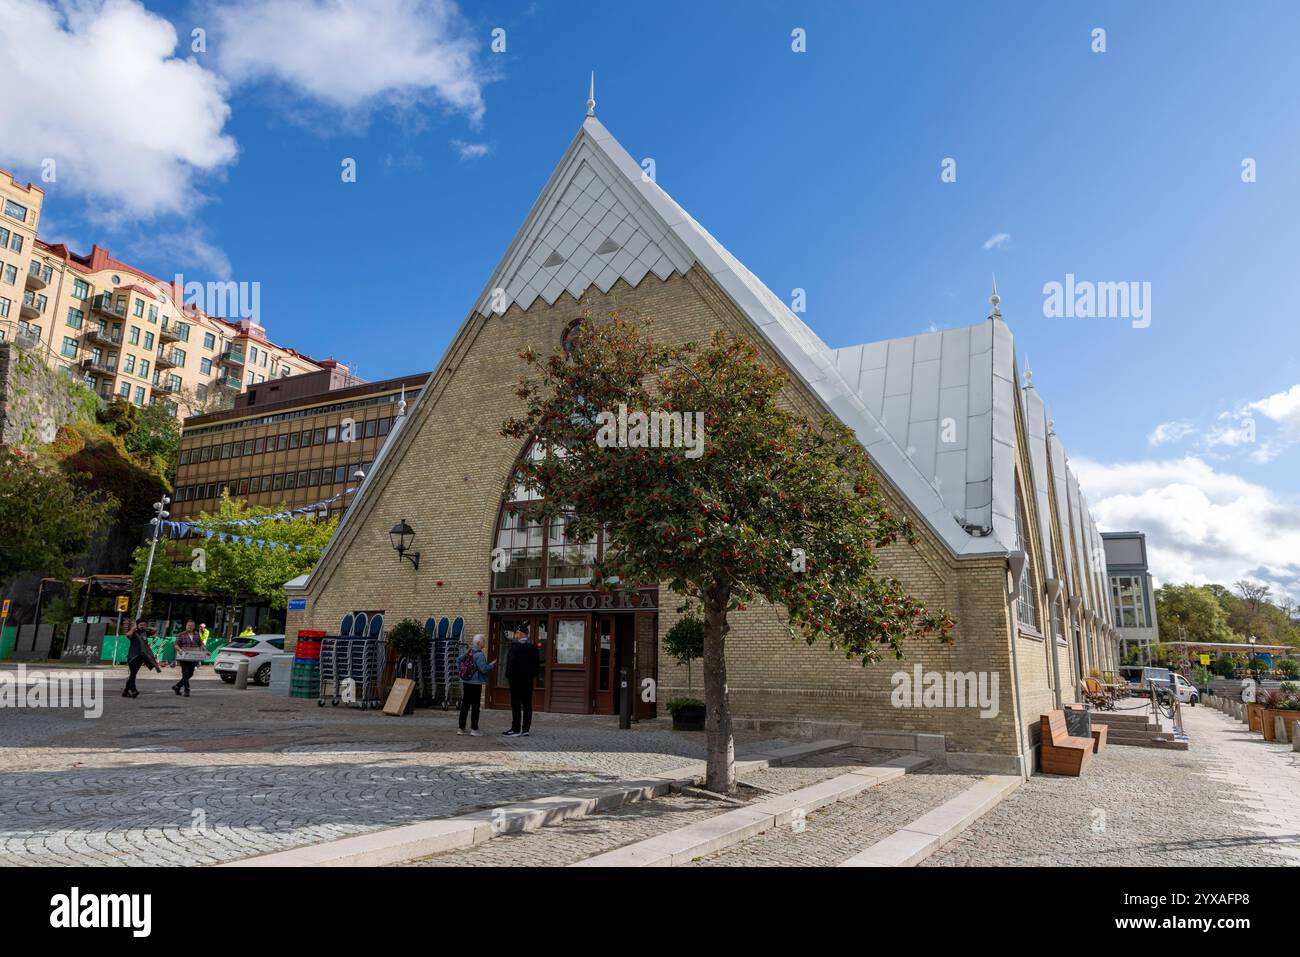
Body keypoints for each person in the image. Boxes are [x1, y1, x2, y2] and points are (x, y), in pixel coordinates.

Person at [503, 626, 540, 737]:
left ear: (523, 634)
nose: (516, 635)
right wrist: (531, 676)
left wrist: (509, 676)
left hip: (516, 681)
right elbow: (537, 666)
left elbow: (510, 664)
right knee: (527, 705)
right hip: (528, 681)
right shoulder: (533, 647)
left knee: (516, 704)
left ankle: (515, 729)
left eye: (518, 633)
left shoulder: (516, 647)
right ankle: (525, 729)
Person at [457, 635, 495, 737]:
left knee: (465, 705)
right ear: (479, 643)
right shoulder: (479, 655)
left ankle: (461, 728)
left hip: (466, 682)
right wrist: (491, 666)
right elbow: (483, 669)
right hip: (476, 683)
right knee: (475, 706)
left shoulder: (468, 651)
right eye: (483, 641)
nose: (484, 643)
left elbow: (459, 660)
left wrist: (461, 673)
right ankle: (474, 729)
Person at [121, 619, 156, 698]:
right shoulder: (134, 633)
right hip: (132, 656)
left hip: (141, 657)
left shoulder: (145, 633)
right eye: (141, 625)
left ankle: (125, 691)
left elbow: (155, 629)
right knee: (133, 674)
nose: (142, 626)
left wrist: (147, 627)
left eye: (144, 624)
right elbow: (127, 635)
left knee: (133, 674)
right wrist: (134, 628)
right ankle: (134, 690)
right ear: (137, 625)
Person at [172, 620, 203, 697]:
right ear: (186, 626)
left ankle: (177, 686)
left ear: (194, 627)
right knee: (185, 674)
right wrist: (179, 650)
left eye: (191, 626)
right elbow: (176, 645)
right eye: (188, 625)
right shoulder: (181, 634)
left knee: (190, 674)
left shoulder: (197, 634)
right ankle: (187, 690)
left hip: (193, 658)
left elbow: (201, 644)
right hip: (184, 657)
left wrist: (203, 648)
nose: (190, 627)